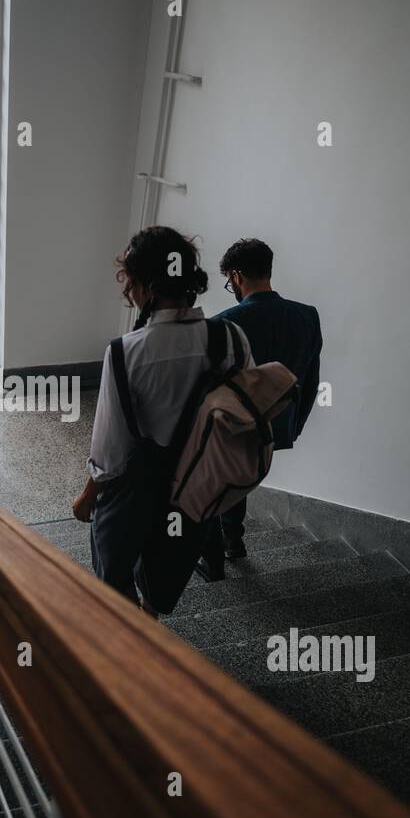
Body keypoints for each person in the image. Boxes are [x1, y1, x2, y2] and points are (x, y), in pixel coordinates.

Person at [73, 227, 251, 618]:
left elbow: (110, 449)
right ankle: (149, 618)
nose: (130, 293)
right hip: (196, 491)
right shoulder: (231, 338)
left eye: (132, 284)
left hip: (134, 490)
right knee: (167, 568)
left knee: (114, 573)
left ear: (147, 288)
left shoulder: (126, 352)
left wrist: (87, 497)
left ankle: (128, 632)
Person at [205, 238, 322, 565]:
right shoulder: (307, 316)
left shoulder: (223, 323)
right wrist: (293, 424)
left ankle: (221, 545)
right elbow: (310, 378)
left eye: (230, 281)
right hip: (280, 421)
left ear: (237, 276)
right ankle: (231, 540)